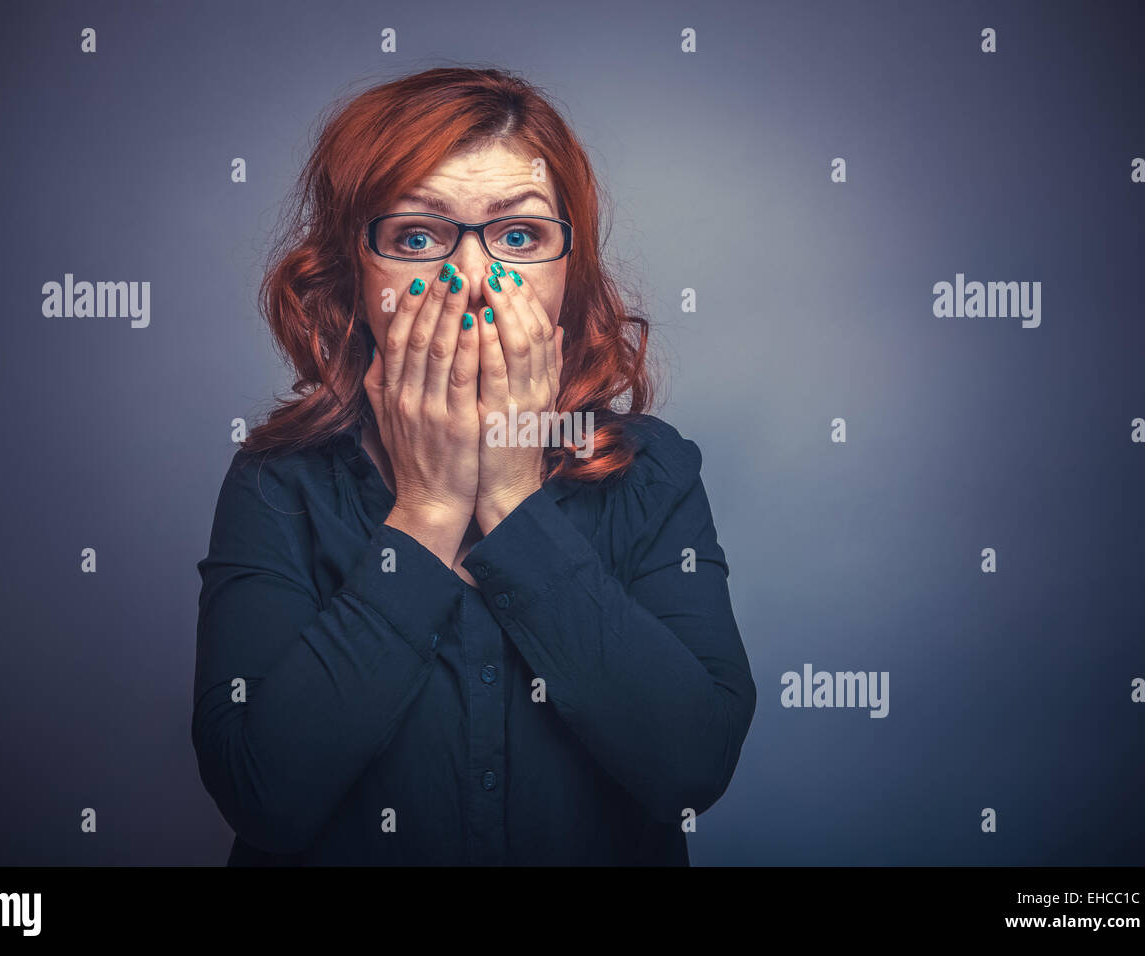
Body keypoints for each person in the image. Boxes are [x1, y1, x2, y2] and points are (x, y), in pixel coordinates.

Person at [192, 65, 757, 865]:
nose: (470, 277)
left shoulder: (652, 473)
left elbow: (690, 768)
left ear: (571, 269)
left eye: (519, 235)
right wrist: (427, 507)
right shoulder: (278, 482)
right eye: (417, 237)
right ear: (355, 275)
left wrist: (513, 496)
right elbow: (262, 797)